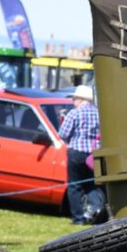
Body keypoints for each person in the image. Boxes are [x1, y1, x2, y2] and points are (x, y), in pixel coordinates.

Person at [55, 84, 101, 224]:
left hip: (76, 151)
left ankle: (78, 219)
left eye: (74, 99)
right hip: (93, 154)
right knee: (91, 184)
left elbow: (63, 133)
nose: (73, 102)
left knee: (74, 186)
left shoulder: (74, 113)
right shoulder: (98, 113)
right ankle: (97, 209)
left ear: (81, 100)